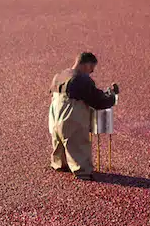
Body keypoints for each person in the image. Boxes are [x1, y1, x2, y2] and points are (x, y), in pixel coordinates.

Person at [48, 52, 119, 181]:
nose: (91, 72)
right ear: (87, 64)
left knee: (59, 143)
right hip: (71, 119)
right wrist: (111, 96)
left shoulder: (59, 76)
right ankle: (83, 173)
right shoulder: (81, 79)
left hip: (54, 117)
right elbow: (97, 100)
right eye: (92, 68)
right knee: (78, 145)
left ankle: (60, 165)